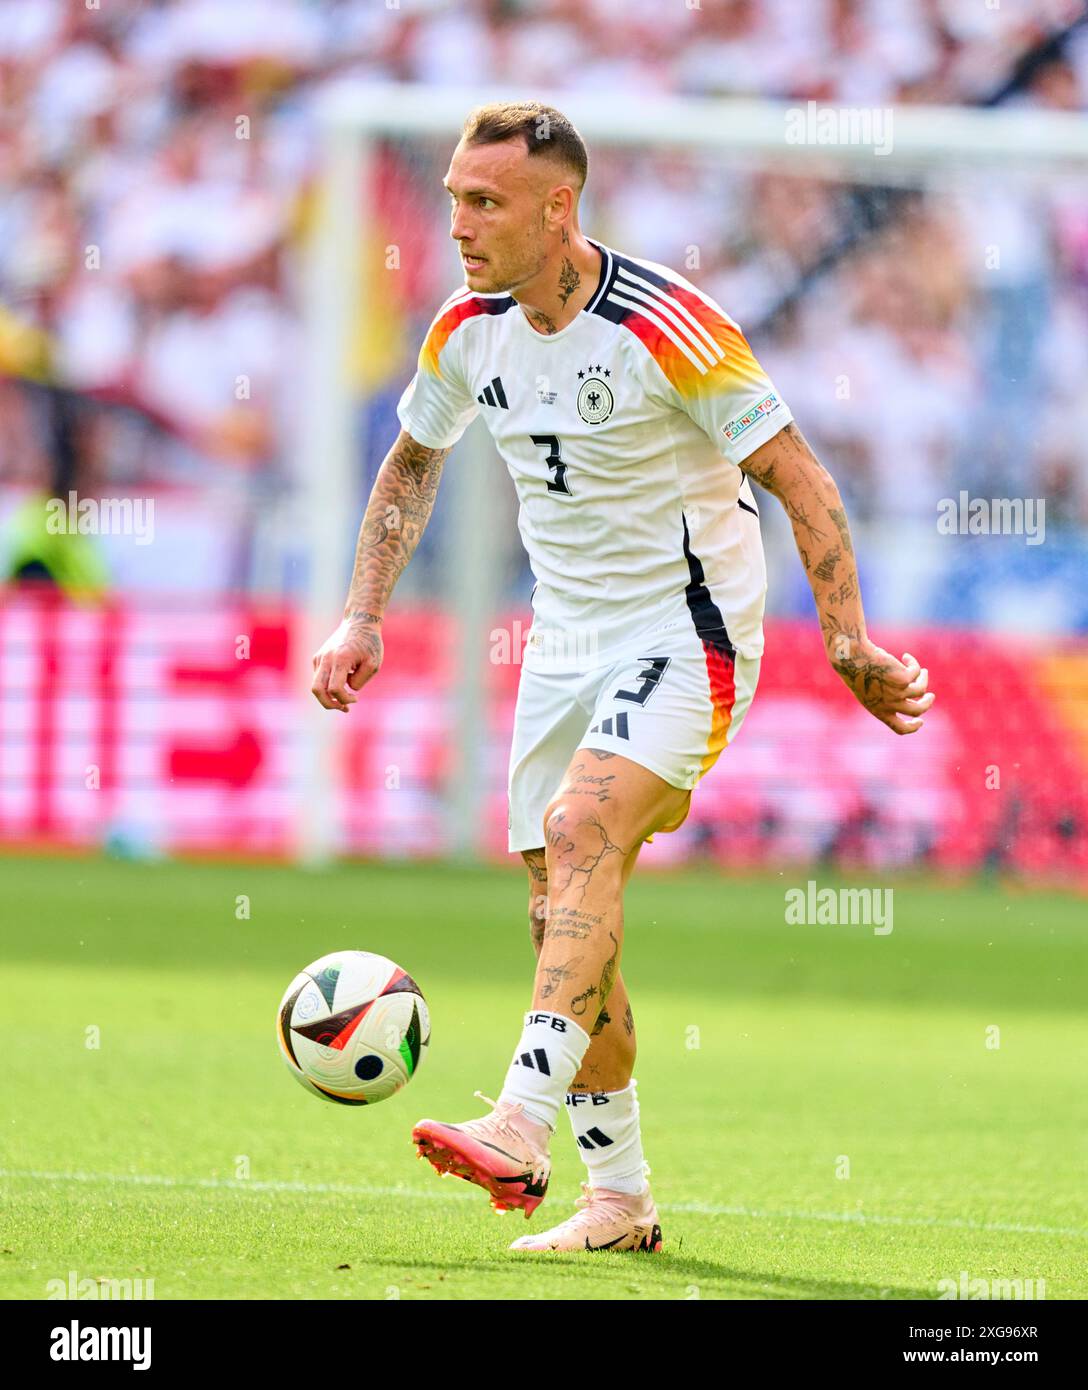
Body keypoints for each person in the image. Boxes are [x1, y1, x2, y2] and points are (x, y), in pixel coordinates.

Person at [310, 101, 935, 1254]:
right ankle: (619, 1199)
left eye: (484, 201)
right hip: (560, 644)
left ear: (560, 208)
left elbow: (799, 479)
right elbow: (409, 462)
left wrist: (845, 639)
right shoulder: (461, 331)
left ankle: (519, 1120)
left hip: (685, 627)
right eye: (453, 196)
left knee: (585, 823)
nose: (457, 221)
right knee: (565, 916)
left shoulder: (667, 326)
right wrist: (361, 613)